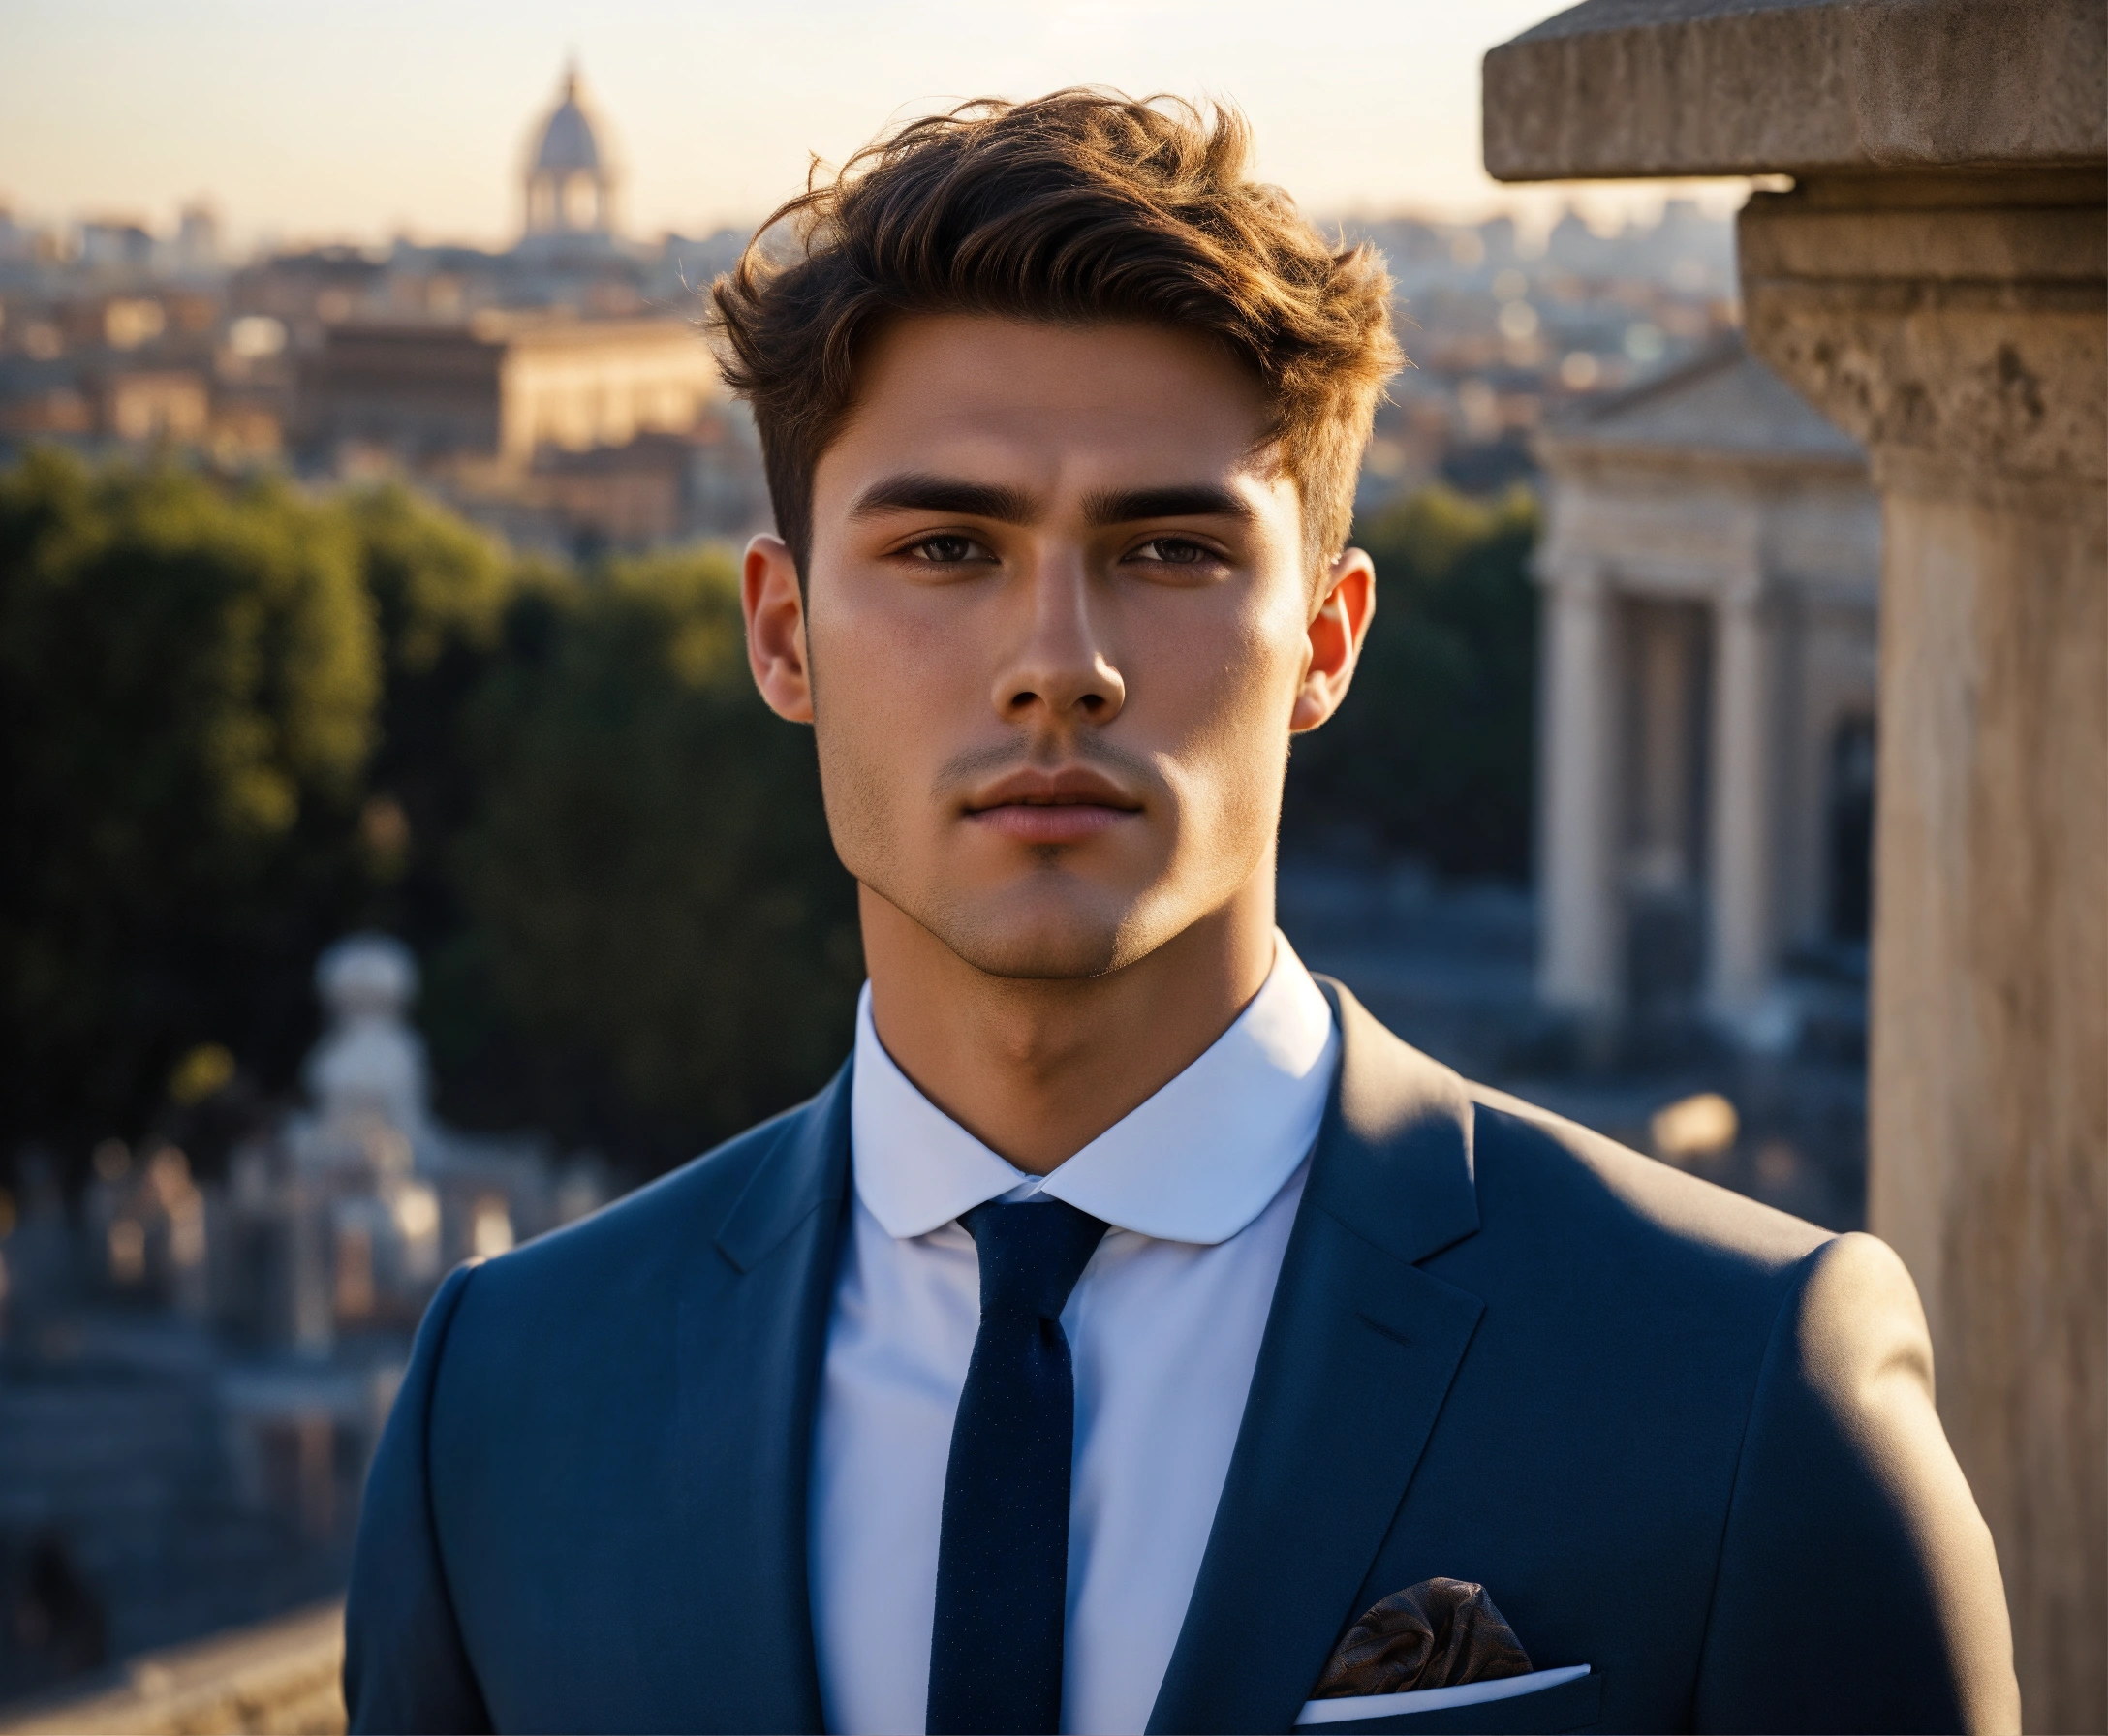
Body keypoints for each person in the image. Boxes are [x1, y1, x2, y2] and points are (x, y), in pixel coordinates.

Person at [343, 91, 2018, 1736]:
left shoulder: (1745, 1389)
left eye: (1166, 549)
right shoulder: (501, 1404)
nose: (1057, 662)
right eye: (944, 548)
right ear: (782, 635)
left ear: (1329, 640)